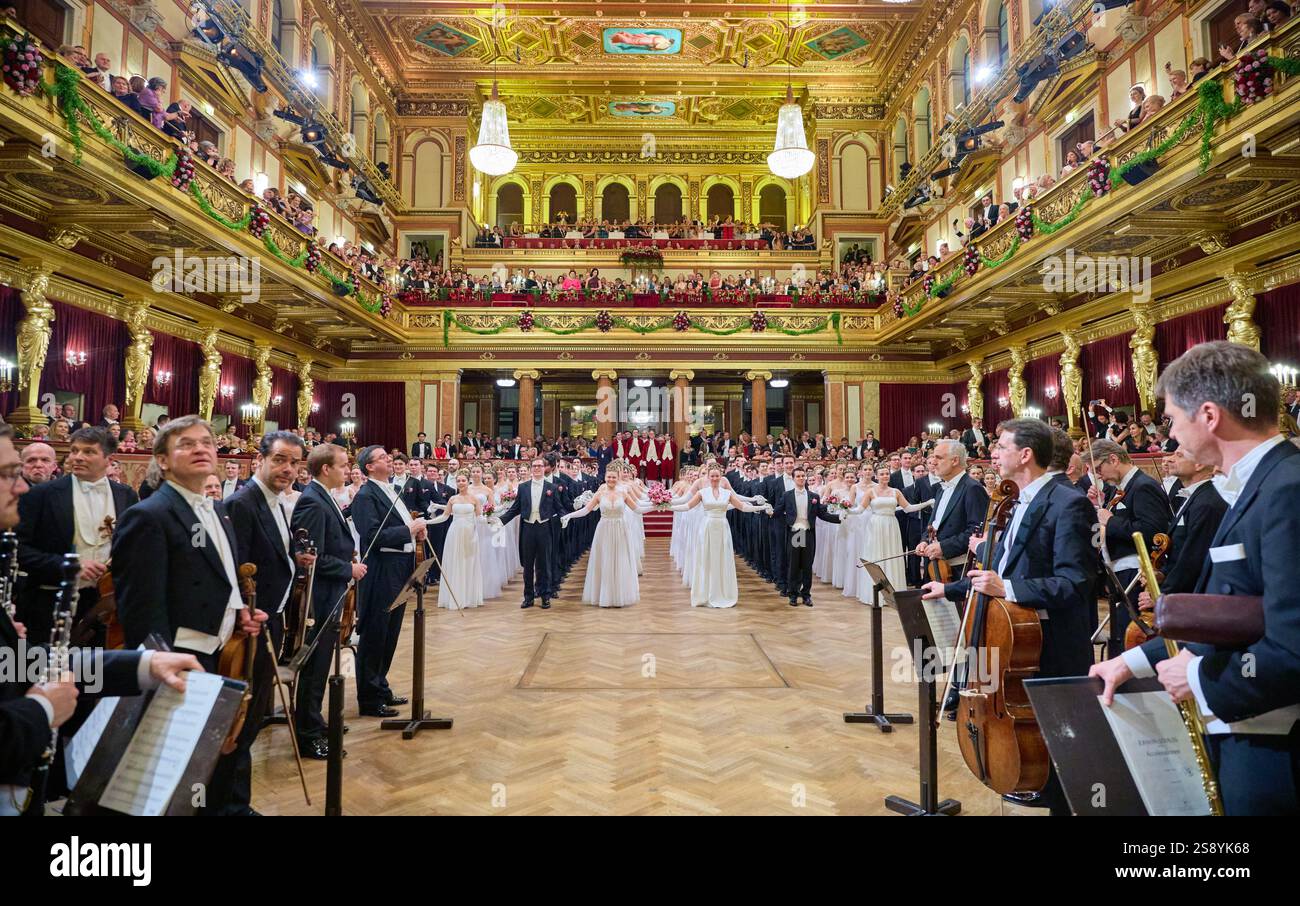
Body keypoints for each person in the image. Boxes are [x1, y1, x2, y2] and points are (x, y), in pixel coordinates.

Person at [1091, 341, 1300, 815]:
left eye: (1171, 418)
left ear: (1208, 415)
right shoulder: (1257, 483)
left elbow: (1293, 647)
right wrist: (1132, 664)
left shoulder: (1287, 488)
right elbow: (1229, 614)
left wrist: (1199, 678)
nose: (1169, 434)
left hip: (1273, 749)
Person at [922, 418, 1096, 815]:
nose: (993, 453)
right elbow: (994, 574)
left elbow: (1076, 582)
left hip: (1050, 647)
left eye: (1000, 447)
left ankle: (1058, 799)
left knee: (1058, 744)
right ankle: (1039, 787)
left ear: (1025, 455)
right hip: (1019, 643)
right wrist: (949, 589)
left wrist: (1009, 590)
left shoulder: (1070, 502)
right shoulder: (1017, 501)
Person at [111, 415, 267, 815]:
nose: (201, 449)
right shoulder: (149, 516)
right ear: (162, 461)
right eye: (186, 444)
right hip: (180, 660)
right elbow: (141, 608)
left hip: (222, 652)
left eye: (206, 442)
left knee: (218, 752)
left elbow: (221, 580)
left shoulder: (218, 512)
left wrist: (238, 615)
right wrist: (161, 669)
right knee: (180, 768)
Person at [220, 430, 309, 815]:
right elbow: (233, 566)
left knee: (251, 717)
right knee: (239, 720)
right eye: (279, 460)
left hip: (269, 617)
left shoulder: (275, 502)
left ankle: (236, 801)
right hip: (249, 624)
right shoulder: (243, 503)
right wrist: (242, 612)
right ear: (260, 459)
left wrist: (295, 560)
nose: (288, 469)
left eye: (294, 462)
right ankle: (230, 805)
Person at [15, 426, 138, 647]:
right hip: (50, 602)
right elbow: (20, 550)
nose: (77, 457)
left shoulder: (126, 495)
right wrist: (70, 565)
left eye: (88, 452)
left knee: (95, 675)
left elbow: (133, 547)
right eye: (74, 451)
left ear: (109, 459)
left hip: (104, 607)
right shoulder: (41, 495)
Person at [289, 444, 363, 760]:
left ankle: (315, 720)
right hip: (319, 598)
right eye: (344, 465)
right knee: (314, 667)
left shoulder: (323, 497)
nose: (348, 471)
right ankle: (307, 734)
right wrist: (349, 568)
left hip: (330, 594)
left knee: (320, 666)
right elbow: (312, 558)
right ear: (325, 469)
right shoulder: (313, 502)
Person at [349, 445, 425, 717]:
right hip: (382, 570)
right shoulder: (365, 496)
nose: (389, 459)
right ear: (369, 467)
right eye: (382, 457)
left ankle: (381, 686)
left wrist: (415, 533)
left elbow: (398, 528)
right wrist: (409, 529)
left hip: (401, 567)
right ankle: (369, 698)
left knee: (390, 632)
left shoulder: (390, 490)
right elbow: (373, 535)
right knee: (376, 632)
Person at [672, 465, 771, 608]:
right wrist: (668, 506)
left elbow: (743, 507)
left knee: (722, 559)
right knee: (707, 559)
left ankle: (722, 592)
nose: (714, 478)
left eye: (717, 476)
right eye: (712, 476)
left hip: (722, 527)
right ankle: (705, 593)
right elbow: (687, 506)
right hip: (707, 527)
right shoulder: (702, 492)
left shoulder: (727, 493)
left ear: (721, 476)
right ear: (708, 477)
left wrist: (761, 507)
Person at [562, 463, 641, 608]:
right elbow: (586, 510)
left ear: (617, 478)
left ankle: (619, 595)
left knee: (620, 559)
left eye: (613, 477)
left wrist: (660, 505)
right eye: (608, 477)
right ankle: (604, 595)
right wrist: (569, 516)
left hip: (620, 529)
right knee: (604, 560)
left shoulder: (623, 493)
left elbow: (638, 509)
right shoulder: (599, 494)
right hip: (604, 529)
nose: (611, 479)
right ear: (605, 477)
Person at [496, 458, 563, 609]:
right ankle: (528, 597)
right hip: (528, 528)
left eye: (540, 466)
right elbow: (515, 508)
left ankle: (545, 596)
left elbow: (558, 507)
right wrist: (500, 521)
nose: (537, 468)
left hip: (544, 528)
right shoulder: (523, 487)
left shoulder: (551, 487)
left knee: (544, 564)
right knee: (527, 565)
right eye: (535, 466)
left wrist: (566, 517)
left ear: (544, 468)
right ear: (531, 468)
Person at [773, 466, 841, 607]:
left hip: (808, 532)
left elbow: (822, 514)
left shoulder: (813, 497)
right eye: (798, 476)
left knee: (807, 565)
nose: (801, 478)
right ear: (793, 478)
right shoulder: (787, 495)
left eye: (803, 476)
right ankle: (793, 594)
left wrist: (840, 518)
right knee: (793, 565)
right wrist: (767, 511)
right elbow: (778, 512)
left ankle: (806, 595)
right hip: (796, 533)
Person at [424, 469, 484, 610]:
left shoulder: (474, 499)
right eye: (458, 480)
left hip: (470, 533)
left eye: (463, 480)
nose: (461, 483)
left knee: (469, 562)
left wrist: (492, 521)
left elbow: (479, 517)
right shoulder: (452, 499)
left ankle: (468, 597)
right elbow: (444, 517)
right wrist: (427, 522)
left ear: (468, 481)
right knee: (455, 562)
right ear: (456, 483)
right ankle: (455, 596)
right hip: (455, 533)